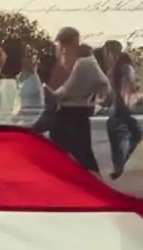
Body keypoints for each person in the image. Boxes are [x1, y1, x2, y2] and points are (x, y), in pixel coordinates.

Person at [45, 42, 110, 174]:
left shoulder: (84, 64)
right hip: (79, 111)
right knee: (82, 152)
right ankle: (93, 183)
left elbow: (68, 88)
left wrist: (53, 94)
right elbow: (104, 85)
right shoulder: (89, 65)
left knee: (66, 149)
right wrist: (95, 99)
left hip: (71, 112)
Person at [102, 40, 143, 179]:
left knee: (122, 139)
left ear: (111, 53)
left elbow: (110, 95)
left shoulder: (113, 70)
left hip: (117, 109)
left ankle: (118, 166)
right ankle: (119, 166)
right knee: (133, 135)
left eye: (106, 53)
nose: (106, 57)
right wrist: (137, 91)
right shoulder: (125, 67)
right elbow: (132, 86)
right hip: (121, 109)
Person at [12, 48, 45, 127]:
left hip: (30, 124)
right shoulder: (23, 78)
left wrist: (12, 120)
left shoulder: (32, 83)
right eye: (26, 57)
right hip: (26, 122)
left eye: (30, 58)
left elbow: (25, 109)